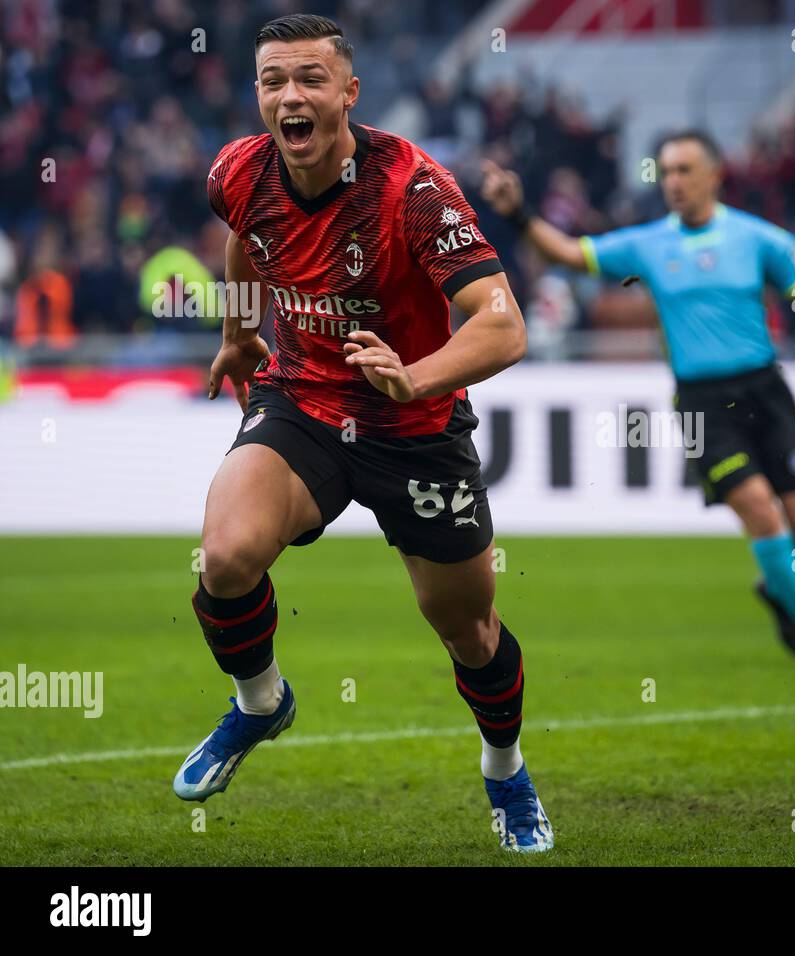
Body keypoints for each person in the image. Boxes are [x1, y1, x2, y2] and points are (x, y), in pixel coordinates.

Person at [173, 14, 552, 852]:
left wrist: (413, 376)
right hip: (303, 398)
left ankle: (505, 771)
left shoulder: (411, 189)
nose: (289, 96)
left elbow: (504, 325)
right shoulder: (239, 170)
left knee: (468, 630)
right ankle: (261, 704)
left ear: (349, 91)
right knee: (226, 557)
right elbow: (245, 240)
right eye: (273, 81)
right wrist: (239, 334)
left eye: (310, 78)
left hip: (414, 425)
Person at [482, 131, 795, 668]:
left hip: (765, 391)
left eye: (684, 170)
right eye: (666, 173)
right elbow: (568, 253)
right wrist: (519, 215)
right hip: (704, 404)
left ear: (714, 174)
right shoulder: (649, 245)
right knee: (760, 513)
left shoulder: (759, 239)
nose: (673, 182)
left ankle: (779, 589)